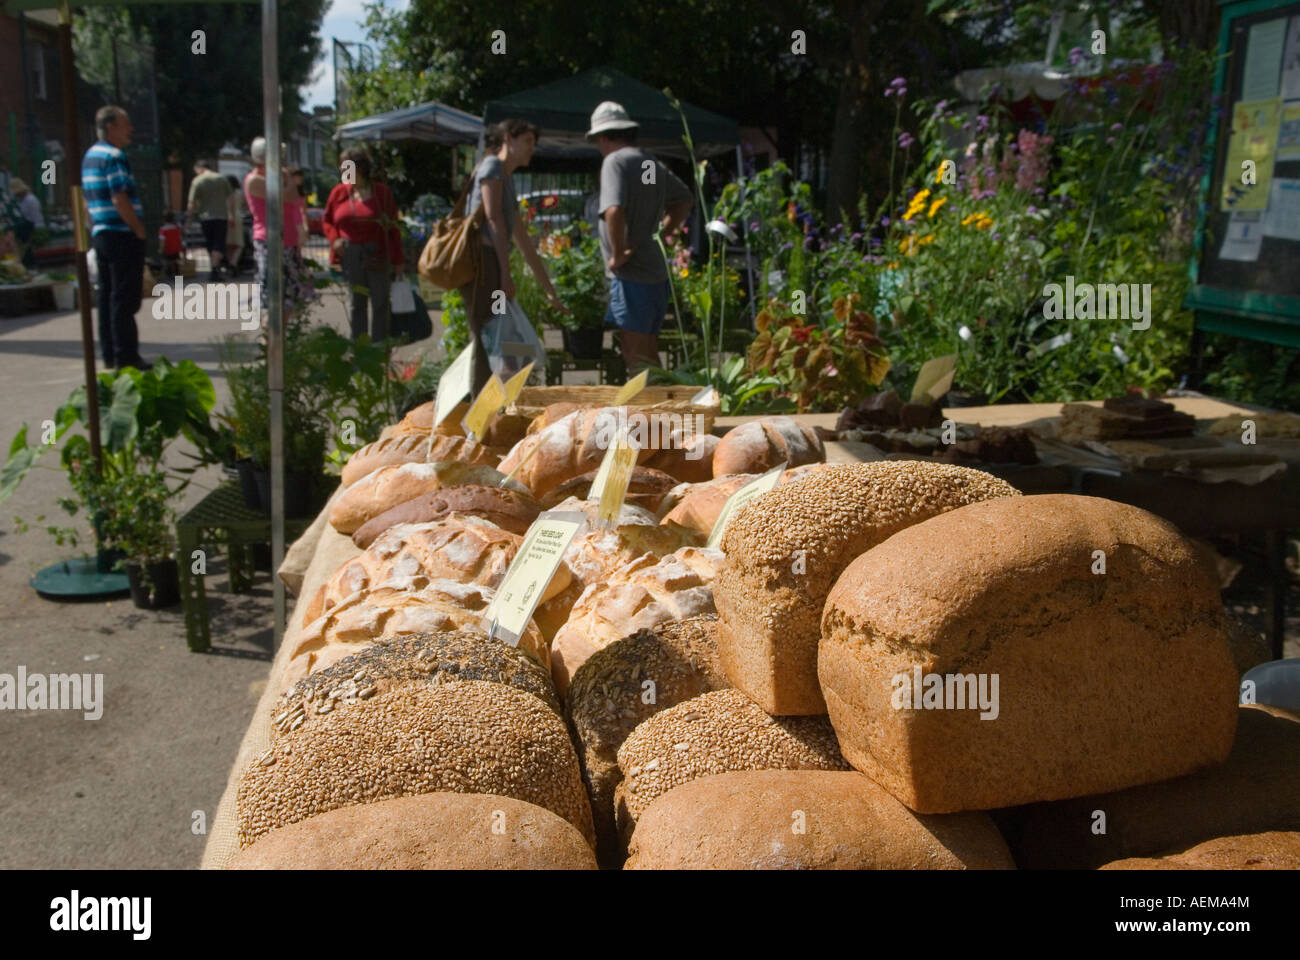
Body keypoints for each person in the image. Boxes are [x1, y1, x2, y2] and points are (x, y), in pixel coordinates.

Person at [460, 118, 566, 392]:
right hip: (483, 267)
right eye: (528, 141)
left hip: (492, 267)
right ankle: (479, 419)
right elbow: (494, 220)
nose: (533, 148)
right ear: (508, 138)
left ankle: (495, 409)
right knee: (487, 342)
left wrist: (549, 289)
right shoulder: (493, 166)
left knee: (500, 341)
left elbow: (522, 238)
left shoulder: (505, 177)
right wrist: (505, 276)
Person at [588, 101, 693, 373]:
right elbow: (684, 200)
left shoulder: (615, 162)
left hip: (631, 274)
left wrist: (618, 253)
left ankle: (654, 413)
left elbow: (614, 209)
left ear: (602, 137)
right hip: (654, 273)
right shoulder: (649, 162)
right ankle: (663, 410)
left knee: (635, 355)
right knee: (648, 352)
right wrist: (661, 233)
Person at [82, 105, 151, 371]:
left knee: (108, 294)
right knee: (125, 297)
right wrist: (138, 228)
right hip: (121, 233)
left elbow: (87, 200)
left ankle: (110, 352)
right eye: (126, 124)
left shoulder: (90, 156)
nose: (130, 130)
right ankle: (127, 355)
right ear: (111, 127)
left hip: (101, 232)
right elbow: (119, 197)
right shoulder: (114, 156)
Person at [323, 147, 404, 342]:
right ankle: (359, 350)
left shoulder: (381, 193)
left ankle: (379, 350)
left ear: (360, 168)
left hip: (377, 253)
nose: (342, 171)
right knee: (356, 304)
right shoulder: (338, 193)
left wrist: (398, 260)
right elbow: (327, 221)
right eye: (341, 168)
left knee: (380, 303)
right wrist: (335, 240)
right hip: (350, 254)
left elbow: (393, 227)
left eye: (346, 167)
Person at [245, 137, 316, 326]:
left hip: (289, 241)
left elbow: (293, 195)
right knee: (275, 300)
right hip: (270, 242)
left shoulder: (279, 176)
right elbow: (288, 195)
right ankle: (269, 345)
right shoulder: (254, 181)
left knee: (290, 300)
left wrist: (284, 175)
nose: (283, 161)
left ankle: (281, 345)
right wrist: (285, 176)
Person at [187, 159, 232, 281]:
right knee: (219, 243)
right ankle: (216, 268)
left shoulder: (197, 181)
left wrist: (189, 219)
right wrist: (231, 215)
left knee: (210, 243)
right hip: (221, 216)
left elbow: (192, 202)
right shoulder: (222, 179)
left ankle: (214, 267)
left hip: (205, 217)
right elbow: (229, 198)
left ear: (199, 169)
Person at [225, 174, 246, 277]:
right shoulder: (239, 193)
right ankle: (233, 264)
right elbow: (245, 205)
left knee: (229, 244)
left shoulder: (225, 193)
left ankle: (230, 264)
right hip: (237, 218)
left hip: (226, 218)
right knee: (239, 244)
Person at [158, 211, 183, 279]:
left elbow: (162, 241)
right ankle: (177, 276)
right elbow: (179, 238)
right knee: (175, 262)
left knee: (167, 261)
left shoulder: (162, 230)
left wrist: (161, 249)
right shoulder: (176, 228)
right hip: (176, 249)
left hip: (168, 249)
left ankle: (168, 274)